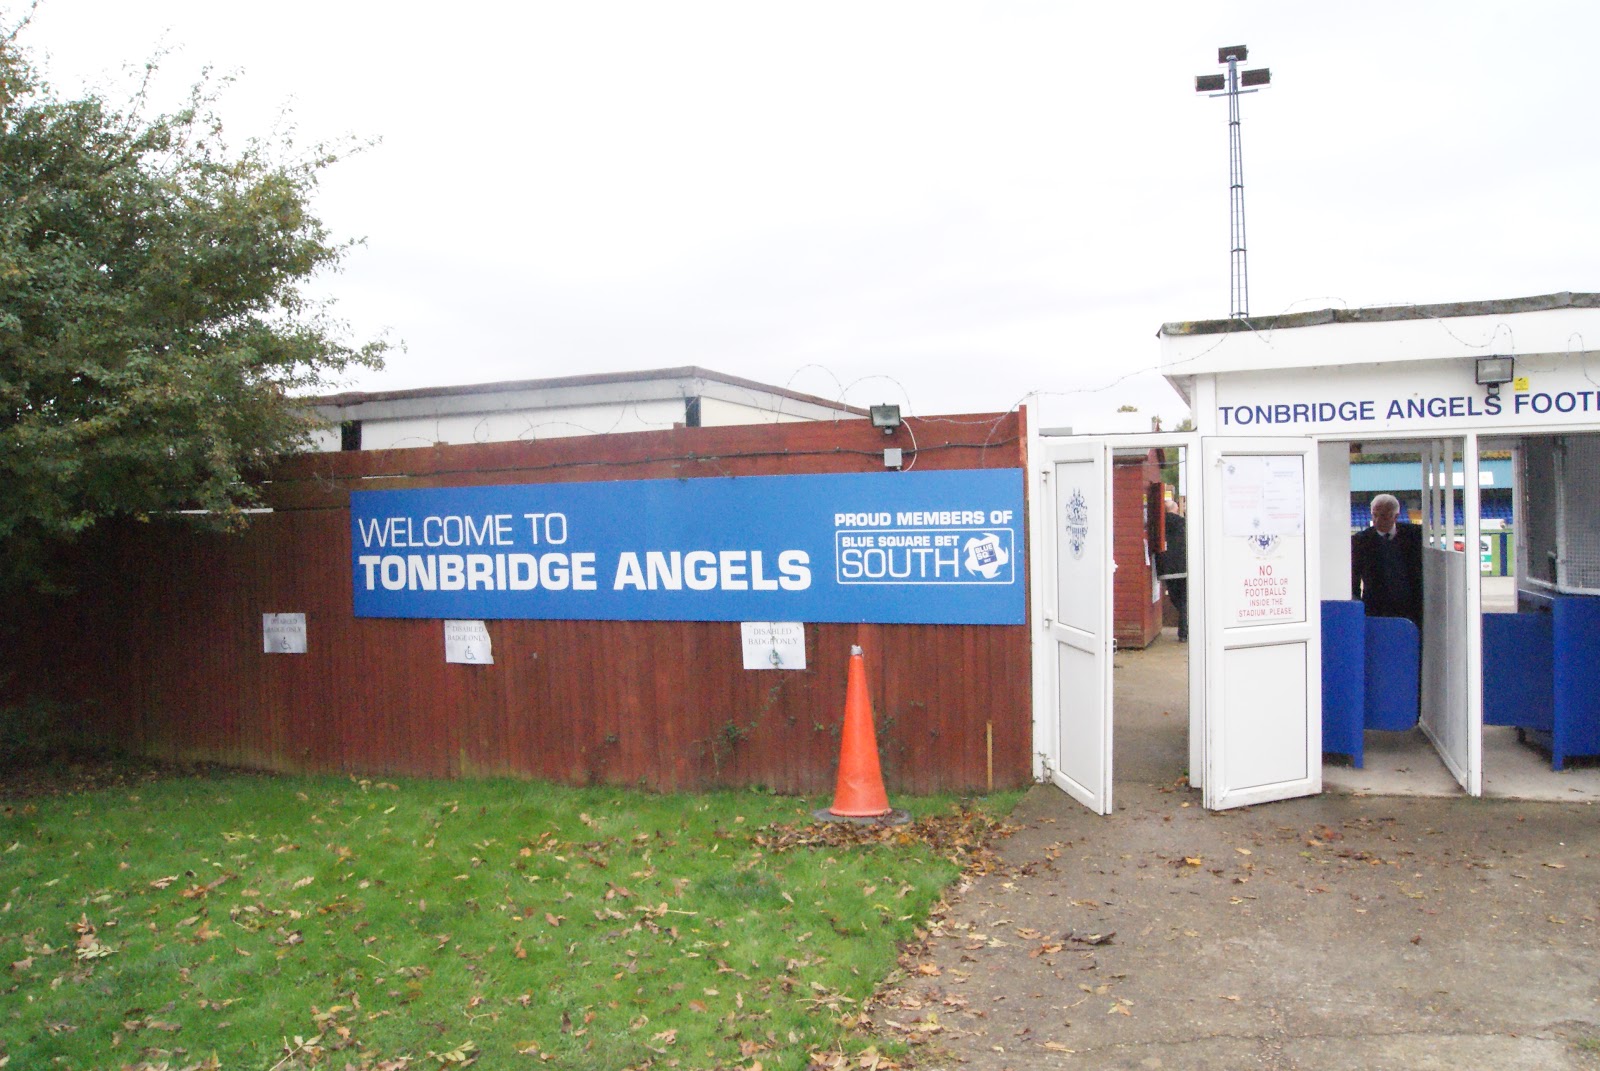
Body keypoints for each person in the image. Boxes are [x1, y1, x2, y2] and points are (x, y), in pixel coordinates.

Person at [1351, 493, 1423, 627]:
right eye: (1375, 515)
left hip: (1412, 610)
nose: (1378, 520)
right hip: (1376, 611)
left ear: (1396, 516)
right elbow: (1354, 578)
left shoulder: (1415, 535)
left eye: (1384, 516)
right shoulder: (1360, 541)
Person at [1155, 493, 1188, 642]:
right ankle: (1184, 632)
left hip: (1167, 569)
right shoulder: (1183, 524)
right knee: (1184, 600)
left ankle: (1184, 627)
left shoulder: (1159, 525)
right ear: (1176, 508)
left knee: (1176, 600)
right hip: (1183, 568)